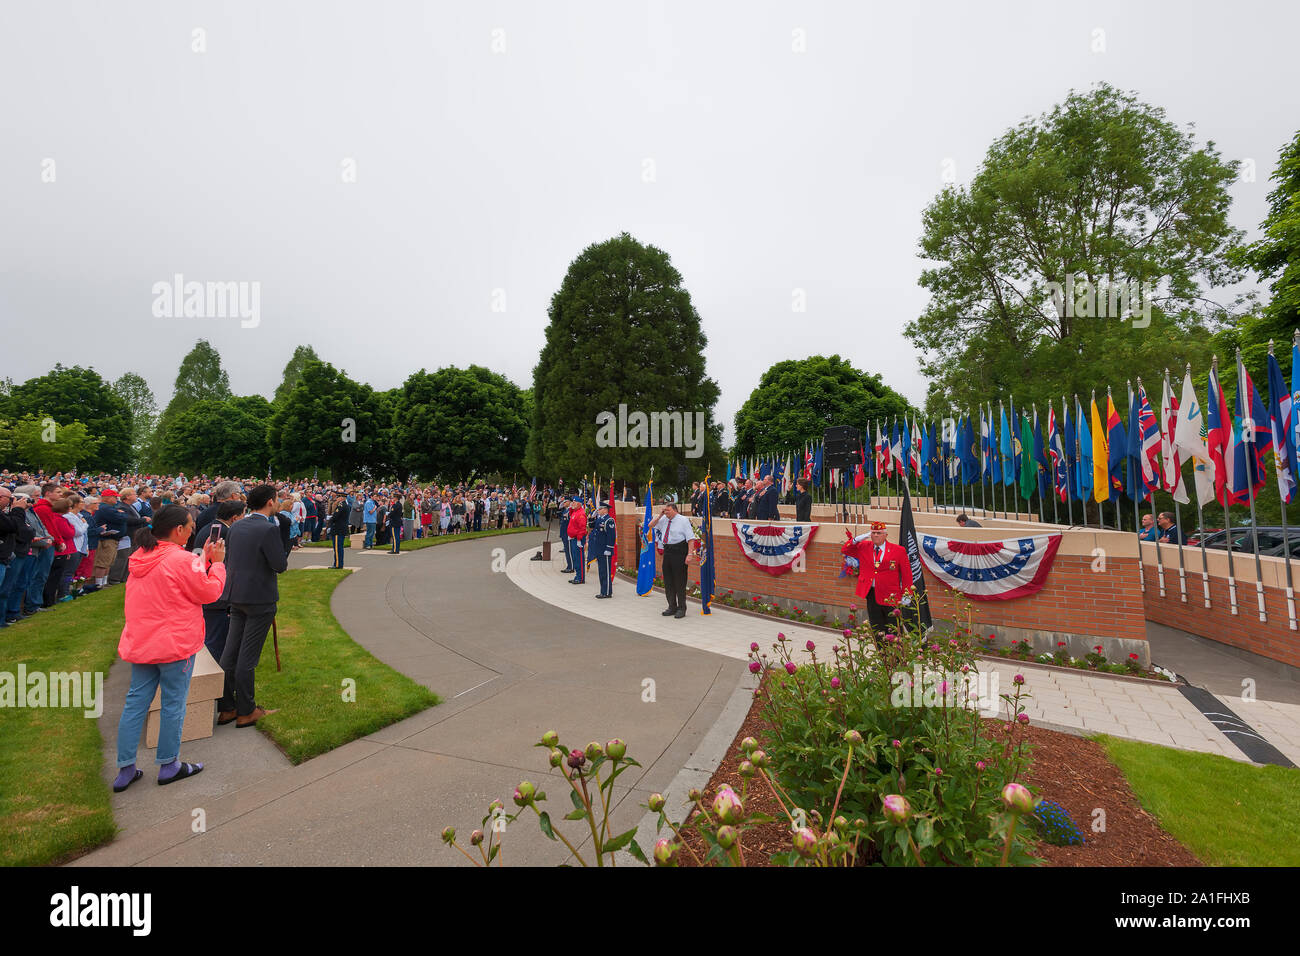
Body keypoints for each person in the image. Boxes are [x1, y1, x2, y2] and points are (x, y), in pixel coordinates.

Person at [113, 504, 227, 791]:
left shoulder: (141, 556)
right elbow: (209, 591)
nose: (191, 532)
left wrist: (204, 558)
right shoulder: (179, 558)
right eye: (190, 527)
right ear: (179, 530)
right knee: (173, 704)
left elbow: (182, 575)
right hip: (175, 643)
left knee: (136, 703)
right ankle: (169, 764)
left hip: (143, 641)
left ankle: (126, 767)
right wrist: (219, 564)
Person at [216, 483, 287, 728]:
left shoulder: (236, 526)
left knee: (230, 653)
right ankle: (246, 710)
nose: (278, 503)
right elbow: (279, 564)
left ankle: (227, 707)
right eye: (277, 500)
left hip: (236, 594)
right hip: (259, 597)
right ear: (269, 502)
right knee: (247, 657)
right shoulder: (267, 529)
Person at [841, 521, 914, 641]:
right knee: (876, 627)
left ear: (885, 535)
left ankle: (896, 656)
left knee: (893, 627)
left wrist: (907, 594)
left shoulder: (898, 550)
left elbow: (907, 574)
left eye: (879, 533)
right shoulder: (864, 547)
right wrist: (856, 539)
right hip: (872, 593)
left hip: (891, 594)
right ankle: (882, 655)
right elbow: (846, 550)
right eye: (873, 532)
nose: (875, 535)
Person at [200, 499, 244, 663]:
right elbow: (228, 562)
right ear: (234, 517)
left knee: (211, 637)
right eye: (243, 515)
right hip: (216, 591)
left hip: (206, 587)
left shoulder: (207, 527)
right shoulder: (225, 533)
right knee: (216, 642)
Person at [654, 502, 693, 619]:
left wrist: (690, 554)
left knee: (679, 582)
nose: (666, 512)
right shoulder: (664, 519)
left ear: (675, 510)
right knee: (668, 581)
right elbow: (650, 525)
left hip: (679, 552)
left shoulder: (683, 520)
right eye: (664, 510)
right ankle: (672, 606)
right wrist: (660, 515)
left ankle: (682, 608)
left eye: (668, 510)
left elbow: (691, 538)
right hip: (668, 552)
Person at [589, 501, 615, 598]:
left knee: (605, 572)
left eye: (600, 509)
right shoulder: (600, 519)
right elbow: (592, 526)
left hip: (605, 550)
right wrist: (592, 517)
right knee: (601, 571)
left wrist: (609, 548)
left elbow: (611, 536)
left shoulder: (609, 520)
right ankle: (603, 591)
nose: (598, 511)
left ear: (605, 510)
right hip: (599, 549)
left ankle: (607, 592)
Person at [567, 498, 588, 584]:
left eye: (575, 502)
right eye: (573, 502)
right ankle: (577, 576)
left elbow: (582, 528)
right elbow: (571, 516)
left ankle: (581, 578)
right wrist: (571, 508)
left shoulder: (581, 514)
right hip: (573, 538)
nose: (573, 503)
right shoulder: (575, 512)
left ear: (579, 504)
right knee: (575, 559)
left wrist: (579, 539)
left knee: (579, 559)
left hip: (577, 539)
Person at [330, 493, 351, 568]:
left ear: (342, 498)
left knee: (337, 548)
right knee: (339, 548)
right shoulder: (346, 505)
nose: (337, 498)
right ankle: (338, 563)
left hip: (338, 529)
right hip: (341, 528)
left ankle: (338, 564)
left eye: (338, 497)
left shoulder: (341, 505)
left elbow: (335, 516)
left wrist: (330, 520)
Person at [558, 497, 573, 573]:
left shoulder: (570, 511)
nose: (564, 503)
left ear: (569, 502)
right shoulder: (565, 510)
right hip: (564, 533)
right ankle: (569, 565)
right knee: (567, 551)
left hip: (568, 534)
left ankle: (571, 566)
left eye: (565, 502)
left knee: (569, 551)